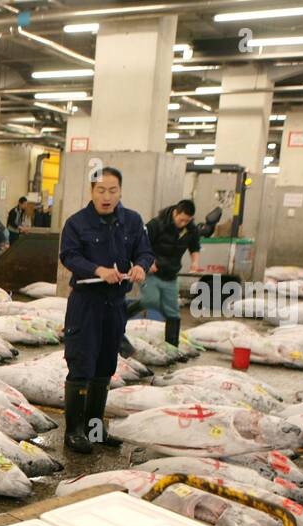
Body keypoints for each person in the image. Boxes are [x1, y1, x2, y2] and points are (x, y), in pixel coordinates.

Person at [58, 166, 154, 454]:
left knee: (105, 367)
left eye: (112, 190)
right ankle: (74, 432)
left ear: (120, 191)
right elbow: (69, 255)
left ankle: (95, 430)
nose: (107, 196)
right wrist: (97, 269)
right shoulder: (77, 223)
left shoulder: (133, 221)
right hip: (86, 303)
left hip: (115, 304)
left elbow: (145, 252)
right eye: (101, 190)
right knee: (81, 364)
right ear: (91, 191)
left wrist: (140, 267)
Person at [142, 199, 201, 347]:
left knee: (173, 312)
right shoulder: (156, 224)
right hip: (153, 273)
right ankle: (125, 314)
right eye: (181, 220)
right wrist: (148, 261)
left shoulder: (190, 229)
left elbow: (195, 247)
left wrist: (195, 262)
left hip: (171, 274)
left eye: (187, 221)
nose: (183, 224)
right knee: (151, 301)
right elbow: (141, 244)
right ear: (175, 212)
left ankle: (172, 347)